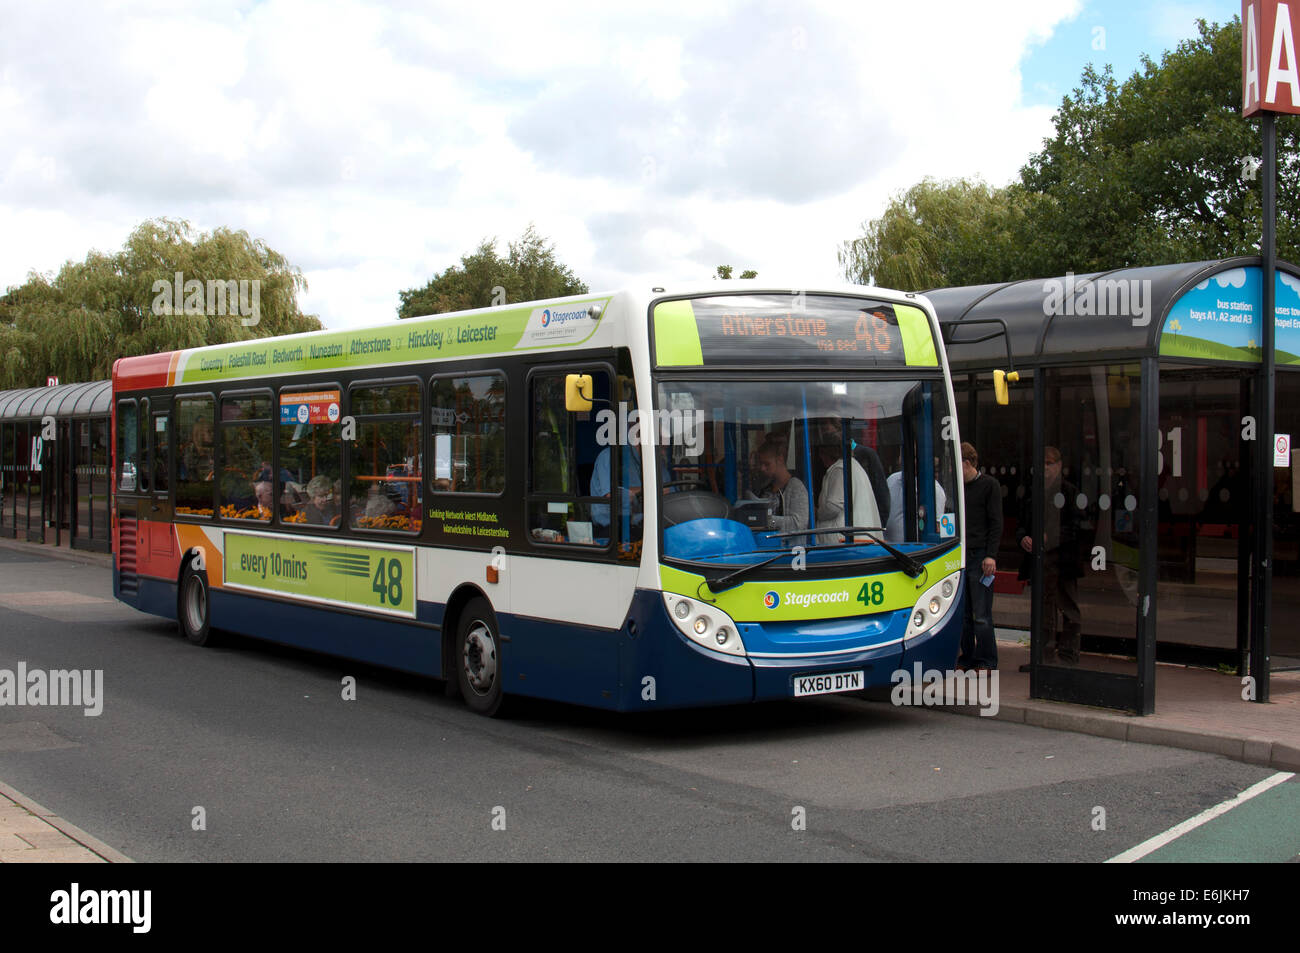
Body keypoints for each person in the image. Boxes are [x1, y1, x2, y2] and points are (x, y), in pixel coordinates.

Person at [1016, 445, 1084, 667]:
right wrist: (1023, 538)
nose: (1045, 468)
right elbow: (1021, 524)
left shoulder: (1070, 492)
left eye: (1050, 463)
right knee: (1043, 609)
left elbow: (1076, 526)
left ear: (1060, 466)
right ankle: (1043, 656)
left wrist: (1048, 537)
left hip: (1063, 559)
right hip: (1040, 560)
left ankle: (1068, 654)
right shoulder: (1033, 491)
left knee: (1067, 606)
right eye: (1042, 463)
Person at [957, 442, 1001, 672]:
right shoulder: (959, 487)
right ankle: (968, 657)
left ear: (967, 463)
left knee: (981, 613)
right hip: (962, 553)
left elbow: (996, 523)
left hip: (980, 553)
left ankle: (987, 660)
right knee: (964, 612)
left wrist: (991, 555)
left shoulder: (989, 486)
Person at [814, 435, 880, 540]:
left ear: (830, 452)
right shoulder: (852, 466)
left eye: (822, 452)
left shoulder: (839, 470)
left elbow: (833, 507)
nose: (820, 457)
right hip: (856, 536)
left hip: (841, 539)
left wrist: (817, 513)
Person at [754, 439, 808, 536]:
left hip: (790, 548)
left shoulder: (796, 487)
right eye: (761, 464)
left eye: (767, 464)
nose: (762, 468)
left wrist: (764, 519)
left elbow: (798, 524)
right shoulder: (766, 488)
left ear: (780, 459)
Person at [591, 443, 642, 535]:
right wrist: (648, 491)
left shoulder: (636, 459)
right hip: (609, 528)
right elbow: (611, 494)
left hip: (632, 522)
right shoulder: (608, 456)